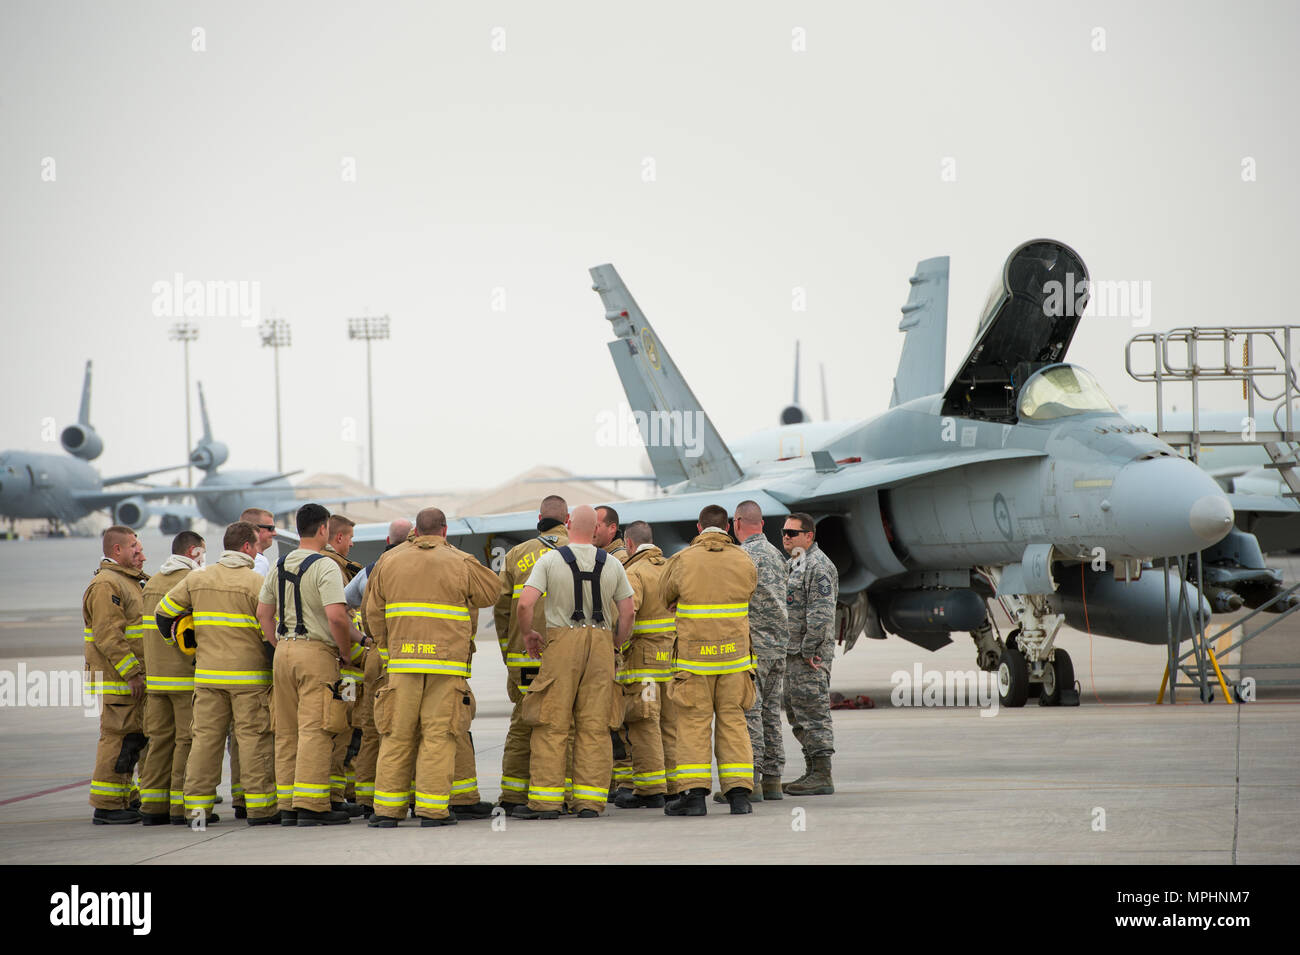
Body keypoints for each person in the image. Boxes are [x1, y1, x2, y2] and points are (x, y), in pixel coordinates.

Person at [364, 507, 500, 827]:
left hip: (402, 663)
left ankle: (386, 812)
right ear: (444, 529)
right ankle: (432, 811)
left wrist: (388, 650)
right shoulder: (459, 561)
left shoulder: (389, 561)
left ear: (415, 529)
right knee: (439, 736)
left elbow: (373, 612)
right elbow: (491, 591)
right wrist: (454, 555)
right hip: (445, 665)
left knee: (396, 735)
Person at [514, 505, 634, 819]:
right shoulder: (612, 563)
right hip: (600, 644)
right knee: (595, 726)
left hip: (562, 643)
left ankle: (547, 803)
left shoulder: (550, 560)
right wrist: (616, 642)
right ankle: (590, 804)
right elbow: (628, 612)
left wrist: (529, 635)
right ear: (596, 528)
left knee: (552, 724)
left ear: (567, 524)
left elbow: (525, 603)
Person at [156, 522, 278, 825]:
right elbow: (268, 633)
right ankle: (261, 810)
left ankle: (197, 811)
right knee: (252, 741)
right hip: (249, 679)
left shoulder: (198, 578)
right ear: (248, 548)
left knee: (205, 742)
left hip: (208, 677)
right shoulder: (256, 582)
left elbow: (163, 612)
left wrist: (186, 642)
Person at [256, 503, 364, 826]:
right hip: (316, 654)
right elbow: (336, 617)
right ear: (323, 529)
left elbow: (263, 614)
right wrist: (345, 651)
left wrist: (279, 644)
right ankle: (312, 806)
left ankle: (288, 804)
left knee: (286, 731)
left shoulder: (279, 564)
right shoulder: (326, 567)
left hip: (284, 653)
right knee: (317, 728)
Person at [660, 505, 758, 816]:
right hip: (735, 660)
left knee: (693, 724)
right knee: (733, 722)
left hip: (694, 661)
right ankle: (740, 796)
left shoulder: (682, 560)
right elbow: (750, 593)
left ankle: (694, 798)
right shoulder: (744, 559)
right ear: (728, 527)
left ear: (699, 528)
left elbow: (665, 596)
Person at [491, 495, 569, 814]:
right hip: (565, 655)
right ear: (567, 519)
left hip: (524, 657)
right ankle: (562, 794)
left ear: (539, 518)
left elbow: (500, 609)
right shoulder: (583, 553)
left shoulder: (516, 555)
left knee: (523, 723)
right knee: (566, 724)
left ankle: (512, 796)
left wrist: (510, 652)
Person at [342, 517, 411, 815]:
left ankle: (368, 798)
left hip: (374, 656)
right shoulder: (413, 567)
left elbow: (341, 607)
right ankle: (407, 796)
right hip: (406, 657)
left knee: (371, 730)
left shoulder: (370, 570)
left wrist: (362, 640)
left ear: (386, 540)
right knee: (406, 729)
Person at [81, 525, 149, 824]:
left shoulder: (127, 581)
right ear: (117, 550)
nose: (139, 550)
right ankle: (107, 806)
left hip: (126, 676)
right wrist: (132, 672)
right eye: (133, 545)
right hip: (118, 677)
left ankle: (126, 797)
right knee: (118, 738)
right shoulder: (107, 585)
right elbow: (108, 636)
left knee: (132, 737)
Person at [723, 500, 789, 803]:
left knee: (750, 712)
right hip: (778, 648)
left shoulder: (742, 556)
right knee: (771, 713)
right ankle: (774, 780)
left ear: (737, 523)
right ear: (761, 523)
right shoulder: (777, 554)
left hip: (755, 648)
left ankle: (751, 781)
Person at [137, 531, 204, 824]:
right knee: (186, 741)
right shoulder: (188, 582)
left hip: (156, 677)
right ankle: (179, 807)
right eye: (203, 552)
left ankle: (152, 807)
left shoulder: (151, 582)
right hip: (182, 675)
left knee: (158, 741)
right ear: (192, 552)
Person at [614, 520, 677, 809]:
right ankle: (676, 785)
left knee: (645, 722)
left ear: (628, 544)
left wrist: (618, 647)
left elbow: (628, 615)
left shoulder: (633, 573)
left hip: (645, 668)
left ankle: (652, 789)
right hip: (673, 663)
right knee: (671, 724)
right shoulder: (672, 567)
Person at [781, 512, 839, 796]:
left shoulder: (818, 566)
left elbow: (821, 613)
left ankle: (822, 774)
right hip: (793, 654)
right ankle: (811, 770)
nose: (786, 537)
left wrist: (809, 650)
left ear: (809, 536)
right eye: (784, 532)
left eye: (792, 532)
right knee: (797, 712)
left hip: (809, 657)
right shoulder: (794, 564)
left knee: (814, 712)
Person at [320, 513, 364, 812]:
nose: (351, 543)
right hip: (345, 671)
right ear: (338, 538)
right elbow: (340, 617)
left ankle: (345, 790)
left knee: (346, 730)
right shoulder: (334, 568)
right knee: (343, 730)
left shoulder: (334, 566)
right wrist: (359, 651)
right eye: (349, 538)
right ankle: (337, 795)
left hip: (343, 669)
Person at [592, 504, 632, 796]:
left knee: (619, 722)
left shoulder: (620, 561)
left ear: (612, 528)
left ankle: (625, 782)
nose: (592, 530)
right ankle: (617, 780)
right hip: (606, 651)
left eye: (597, 525)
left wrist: (617, 644)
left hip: (619, 654)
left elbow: (626, 611)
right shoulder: (604, 559)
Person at [240, 508, 277, 575]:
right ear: (255, 530)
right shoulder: (259, 562)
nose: (275, 533)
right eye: (271, 528)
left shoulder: (234, 558)